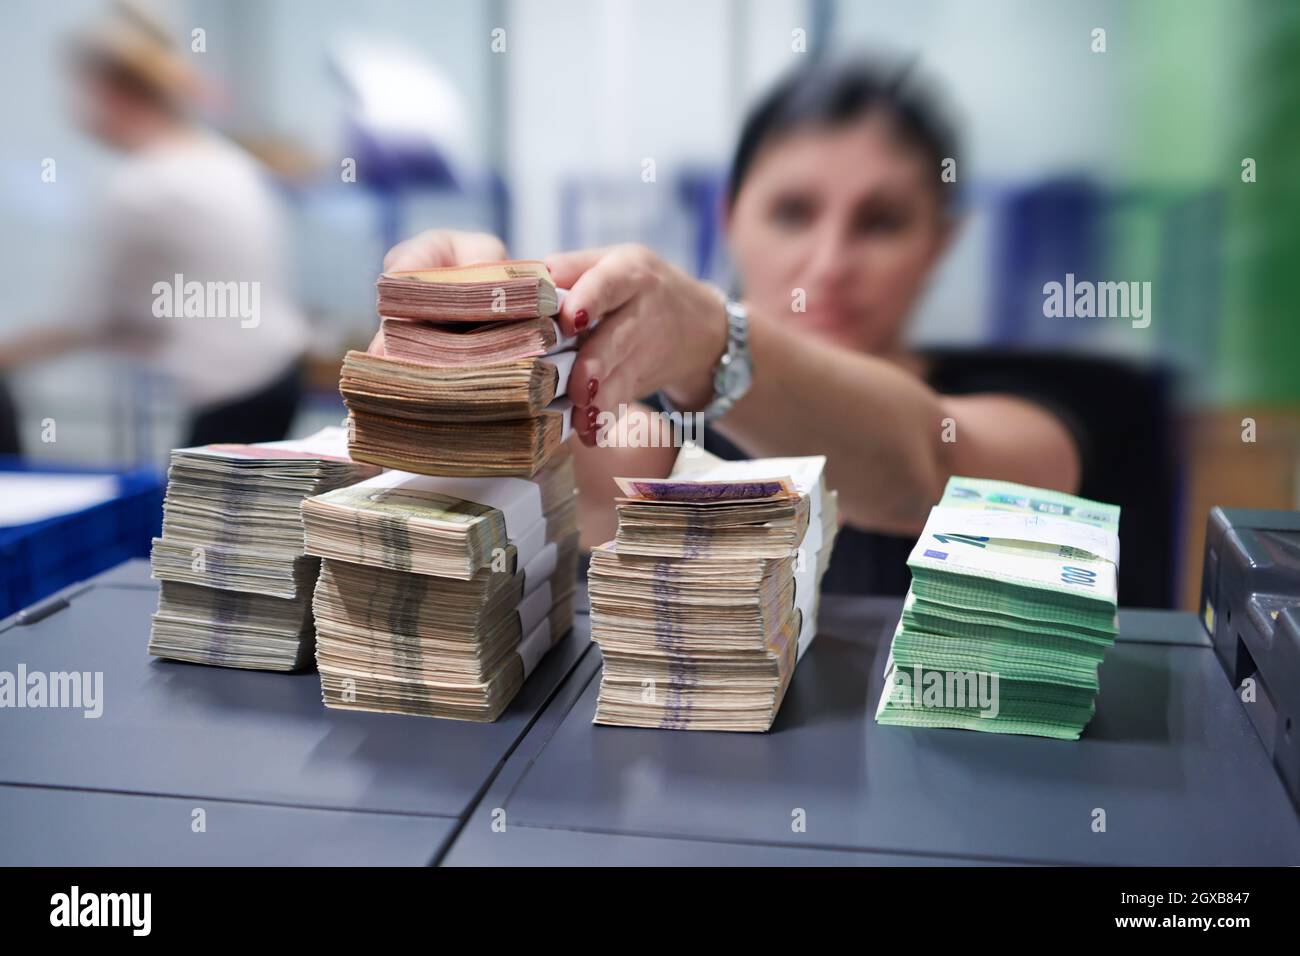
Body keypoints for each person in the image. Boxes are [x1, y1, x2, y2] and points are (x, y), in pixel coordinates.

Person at [375, 57, 1089, 595]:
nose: (831, 262)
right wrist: (456, 360)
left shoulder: (1030, 409)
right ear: (729, 219)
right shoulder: (659, 429)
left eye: (882, 222)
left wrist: (715, 337)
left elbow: (922, 472)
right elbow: (553, 467)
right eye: (793, 212)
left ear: (938, 243)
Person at [0, 3, 309, 448]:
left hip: (236, 387)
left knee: (196, 514)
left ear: (114, 93)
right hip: (276, 373)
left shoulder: (144, 186)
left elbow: (86, 318)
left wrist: (10, 354)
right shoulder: (218, 157)